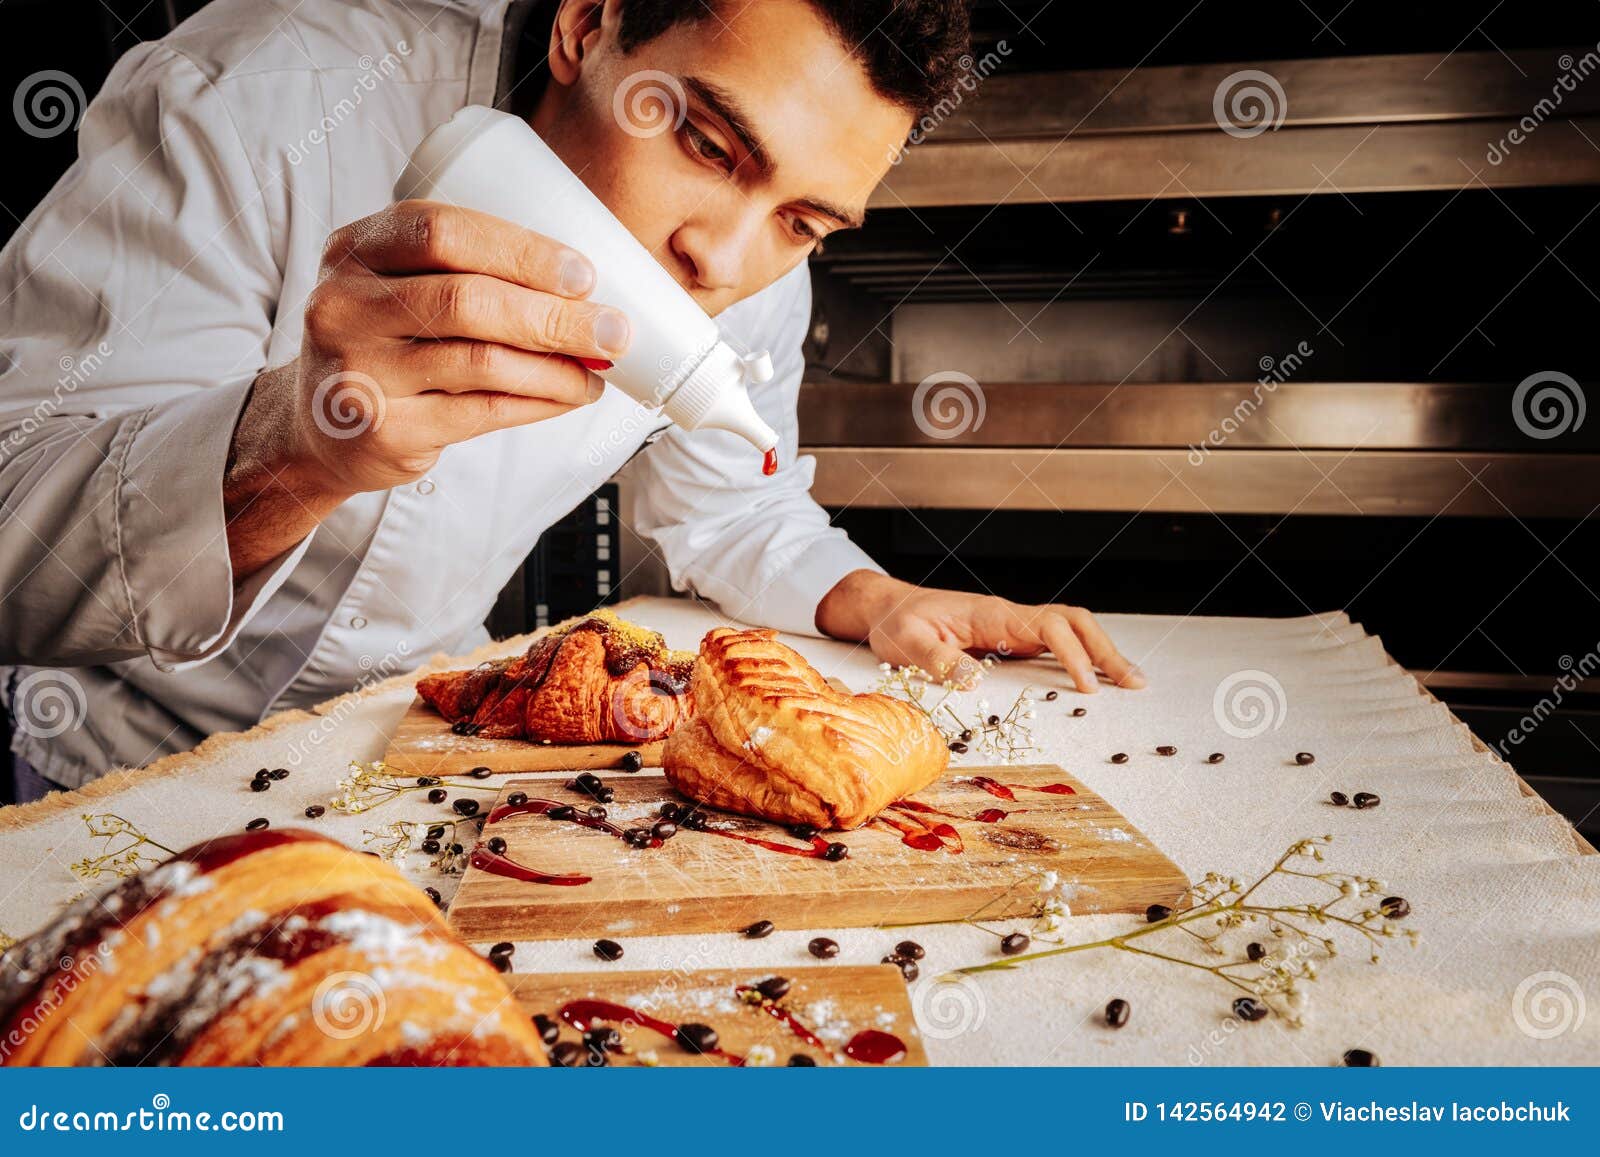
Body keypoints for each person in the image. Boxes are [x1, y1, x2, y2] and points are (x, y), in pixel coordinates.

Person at [0, 0, 1143, 797]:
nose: (722, 259)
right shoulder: (262, 97)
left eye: (801, 221)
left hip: (414, 751)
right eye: (704, 142)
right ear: (589, 25)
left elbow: (732, 506)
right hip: (106, 764)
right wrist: (291, 447)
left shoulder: (744, 256)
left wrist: (872, 598)